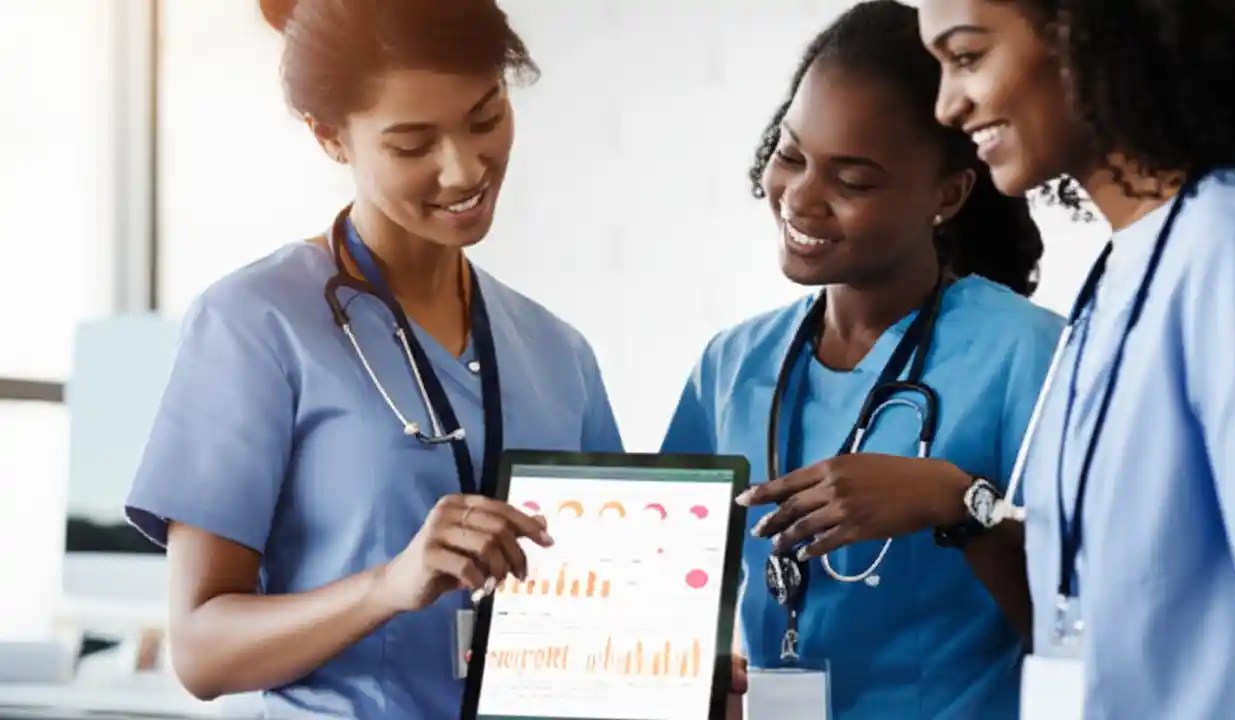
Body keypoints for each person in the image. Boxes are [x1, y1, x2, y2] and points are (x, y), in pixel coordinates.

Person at [754, 0, 1235, 717]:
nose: (950, 103)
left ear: (1091, 30)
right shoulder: (1127, 270)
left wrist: (959, 501)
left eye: (968, 57)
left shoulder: (1230, 246)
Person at [123, 0, 623, 716]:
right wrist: (388, 586)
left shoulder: (557, 350)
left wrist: (680, 676)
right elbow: (202, 653)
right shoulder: (255, 324)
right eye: (413, 144)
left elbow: (599, 609)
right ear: (330, 138)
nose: (463, 169)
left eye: (486, 118)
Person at [661, 2, 1063, 717]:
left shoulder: (1029, 354)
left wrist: (959, 503)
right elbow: (662, 597)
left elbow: (1087, 629)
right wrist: (689, 679)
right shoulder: (730, 364)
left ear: (948, 193)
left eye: (852, 181)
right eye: (791, 156)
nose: (802, 199)